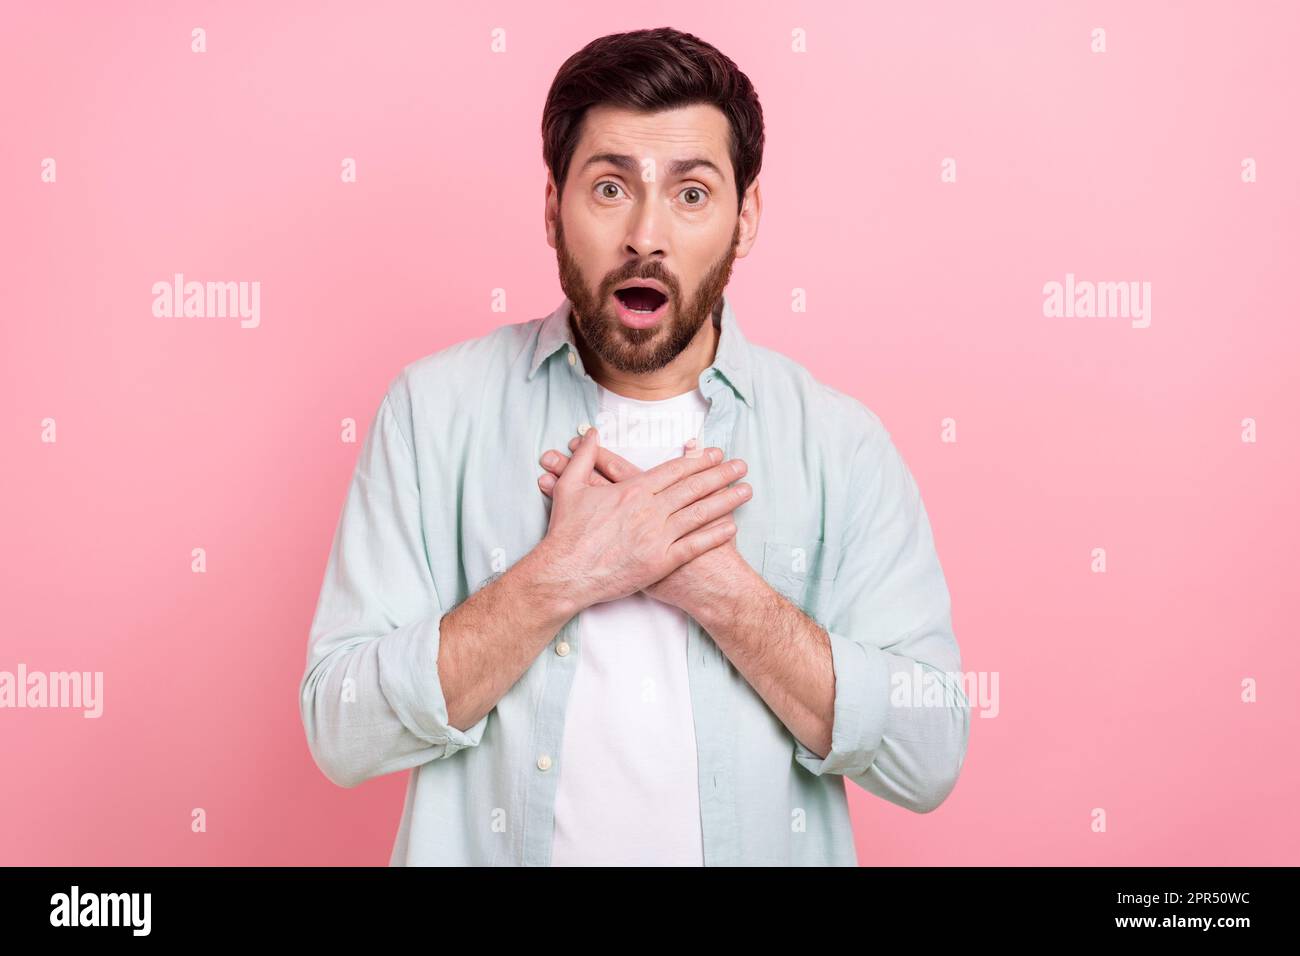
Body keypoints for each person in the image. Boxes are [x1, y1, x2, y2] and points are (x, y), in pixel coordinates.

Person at [299, 26, 969, 866]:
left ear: (745, 216)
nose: (646, 235)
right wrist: (566, 573)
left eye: (692, 195)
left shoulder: (842, 445)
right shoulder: (432, 413)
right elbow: (340, 730)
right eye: (610, 187)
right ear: (553, 208)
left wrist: (721, 592)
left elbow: (930, 753)